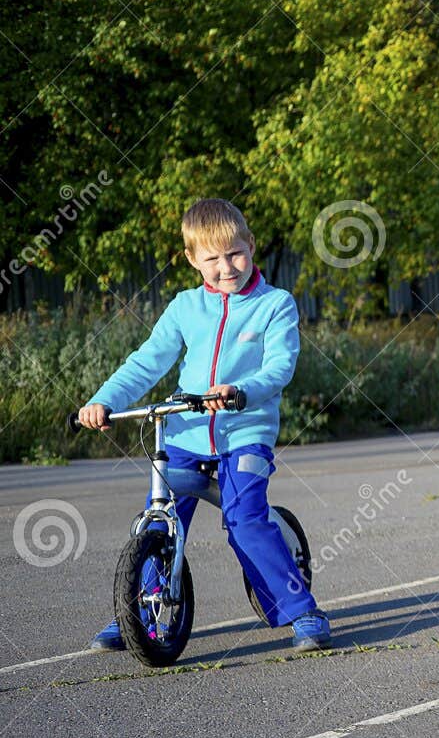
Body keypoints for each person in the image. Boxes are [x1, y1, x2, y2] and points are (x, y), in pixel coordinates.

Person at [78, 199, 331, 652]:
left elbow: (280, 368)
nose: (225, 267)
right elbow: (147, 362)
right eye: (211, 258)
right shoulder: (185, 308)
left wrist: (240, 391)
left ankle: (303, 611)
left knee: (245, 521)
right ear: (193, 259)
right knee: (157, 521)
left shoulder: (275, 305)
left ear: (251, 247)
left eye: (234, 253)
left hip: (245, 432)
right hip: (185, 434)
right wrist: (103, 400)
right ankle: (139, 612)